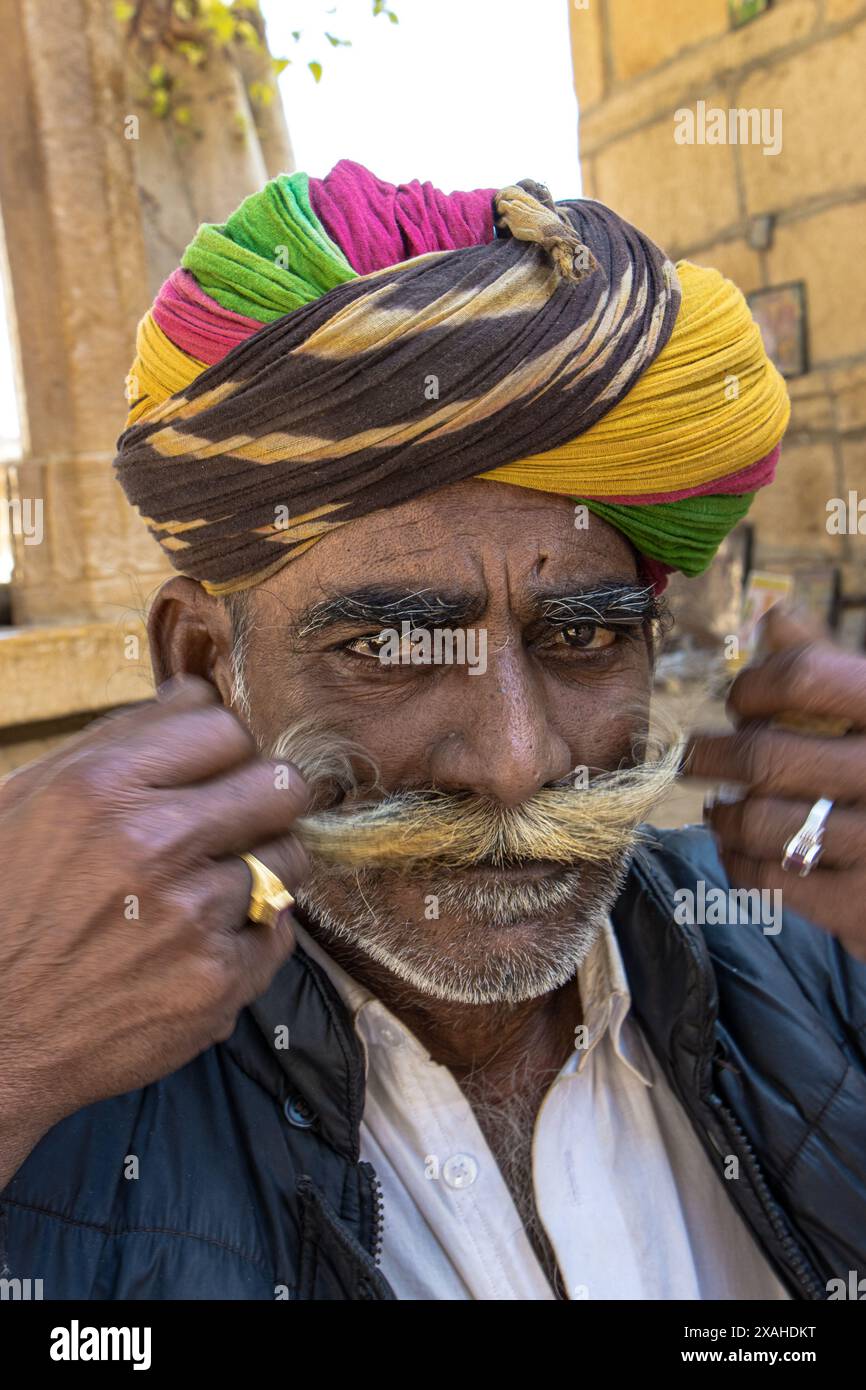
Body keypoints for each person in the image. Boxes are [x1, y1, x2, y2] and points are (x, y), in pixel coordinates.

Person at [1, 162, 864, 1301]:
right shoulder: (55, 1076)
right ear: (202, 663)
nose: (515, 764)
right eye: (394, 651)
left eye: (583, 639)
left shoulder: (817, 952)